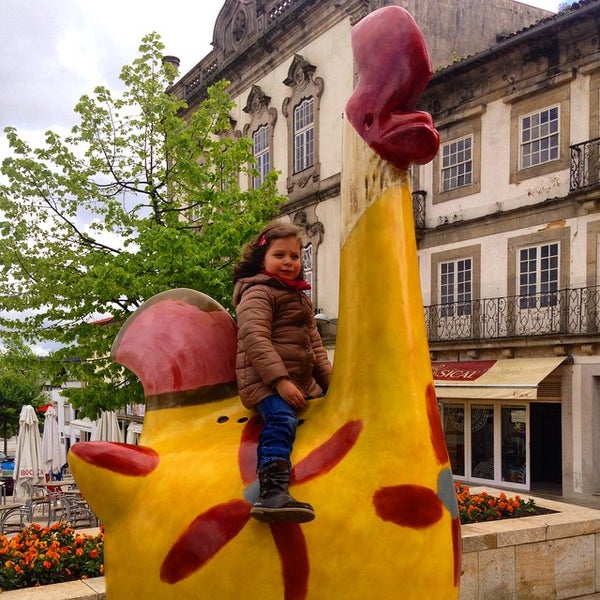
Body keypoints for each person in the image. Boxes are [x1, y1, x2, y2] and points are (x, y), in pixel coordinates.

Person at [233, 221, 332, 523]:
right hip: (264, 382)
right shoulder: (258, 292)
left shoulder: (300, 298)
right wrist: (280, 382)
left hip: (300, 382)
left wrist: (333, 385)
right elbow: (255, 339)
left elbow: (315, 347)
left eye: (295, 256)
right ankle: (272, 490)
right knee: (281, 419)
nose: (289, 262)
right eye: (279, 255)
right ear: (261, 259)